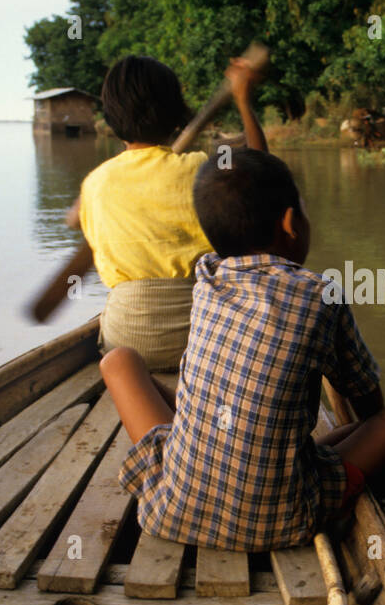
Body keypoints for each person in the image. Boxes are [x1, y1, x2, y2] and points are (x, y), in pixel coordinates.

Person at [99, 149, 385, 552]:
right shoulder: (322, 295)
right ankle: (332, 483)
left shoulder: (206, 278)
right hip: (282, 523)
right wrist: (380, 475)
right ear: (290, 223)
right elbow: (366, 398)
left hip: (168, 510)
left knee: (118, 360)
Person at [66, 55, 266, 371]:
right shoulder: (200, 169)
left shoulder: (95, 183)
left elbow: (72, 220)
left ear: (112, 119)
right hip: (202, 339)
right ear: (175, 115)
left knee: (115, 357)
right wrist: (243, 100)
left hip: (125, 341)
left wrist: (85, 199)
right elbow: (260, 168)